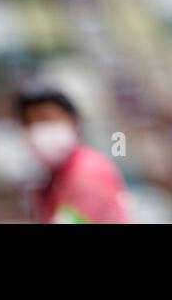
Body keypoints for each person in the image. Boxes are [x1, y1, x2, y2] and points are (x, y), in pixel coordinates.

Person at [16, 82, 130, 222]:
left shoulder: (87, 172)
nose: (38, 129)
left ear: (73, 121)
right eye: (29, 123)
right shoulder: (53, 178)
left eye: (46, 119)